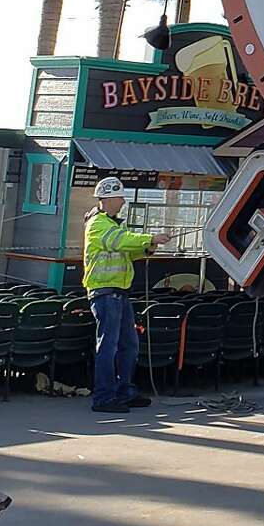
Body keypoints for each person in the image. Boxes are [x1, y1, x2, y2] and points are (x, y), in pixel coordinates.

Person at [84, 176, 169, 414]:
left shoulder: (111, 225)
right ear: (108, 198)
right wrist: (150, 239)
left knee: (128, 344)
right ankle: (104, 397)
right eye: (120, 197)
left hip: (119, 293)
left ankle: (123, 391)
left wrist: (146, 248)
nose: (123, 201)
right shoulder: (98, 225)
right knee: (108, 346)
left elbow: (124, 252)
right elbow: (120, 242)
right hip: (105, 292)